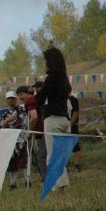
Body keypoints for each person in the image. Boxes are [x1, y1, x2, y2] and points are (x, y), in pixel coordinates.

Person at [35, 46, 72, 190]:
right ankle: (59, 186)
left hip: (53, 119)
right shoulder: (64, 79)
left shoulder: (51, 79)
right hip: (64, 119)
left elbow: (39, 99)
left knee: (52, 155)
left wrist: (35, 95)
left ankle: (58, 187)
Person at [0, 90, 29, 190]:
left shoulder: (21, 109)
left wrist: (8, 122)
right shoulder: (5, 114)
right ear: (6, 100)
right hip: (10, 140)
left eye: (12, 98)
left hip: (22, 139)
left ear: (15, 99)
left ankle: (27, 181)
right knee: (12, 163)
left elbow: (20, 121)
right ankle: (13, 183)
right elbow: (1, 126)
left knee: (24, 161)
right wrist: (7, 121)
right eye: (9, 98)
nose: (11, 100)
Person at [30, 81, 47, 179]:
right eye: (36, 87)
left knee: (41, 155)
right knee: (41, 154)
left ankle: (45, 177)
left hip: (45, 128)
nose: (37, 89)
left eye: (38, 87)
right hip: (39, 131)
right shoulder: (36, 99)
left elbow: (35, 117)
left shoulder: (43, 98)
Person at [69, 91, 81, 172]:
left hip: (72, 125)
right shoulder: (62, 99)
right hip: (64, 124)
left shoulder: (73, 100)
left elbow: (75, 113)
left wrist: (70, 125)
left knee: (75, 146)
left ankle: (78, 165)